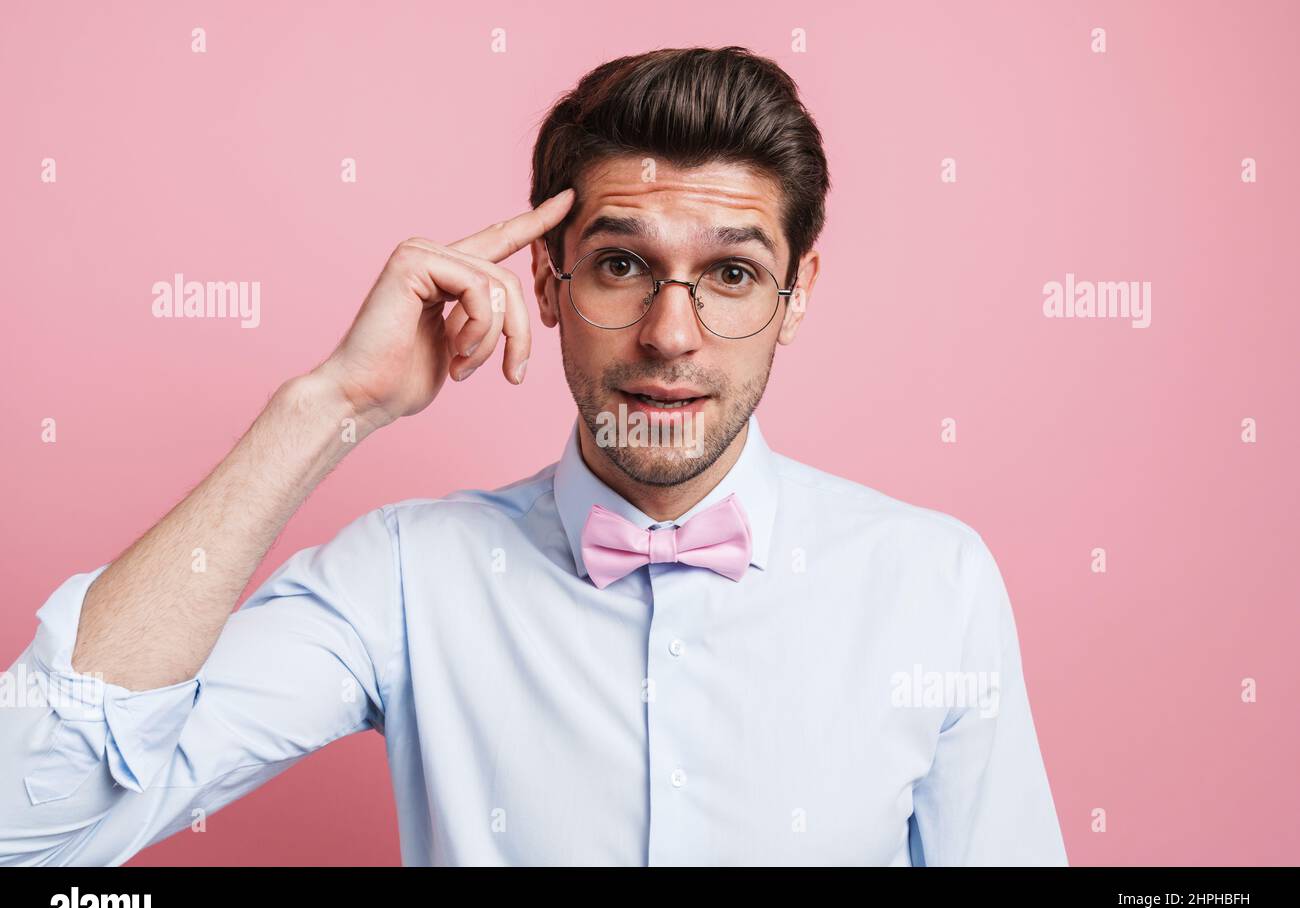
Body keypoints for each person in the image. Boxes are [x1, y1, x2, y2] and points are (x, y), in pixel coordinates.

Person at [0, 46, 1067, 866]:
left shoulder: (935, 583)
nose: (671, 336)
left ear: (797, 298)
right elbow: (34, 827)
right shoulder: (404, 577)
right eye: (620, 265)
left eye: (732, 275)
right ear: (548, 284)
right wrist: (329, 405)